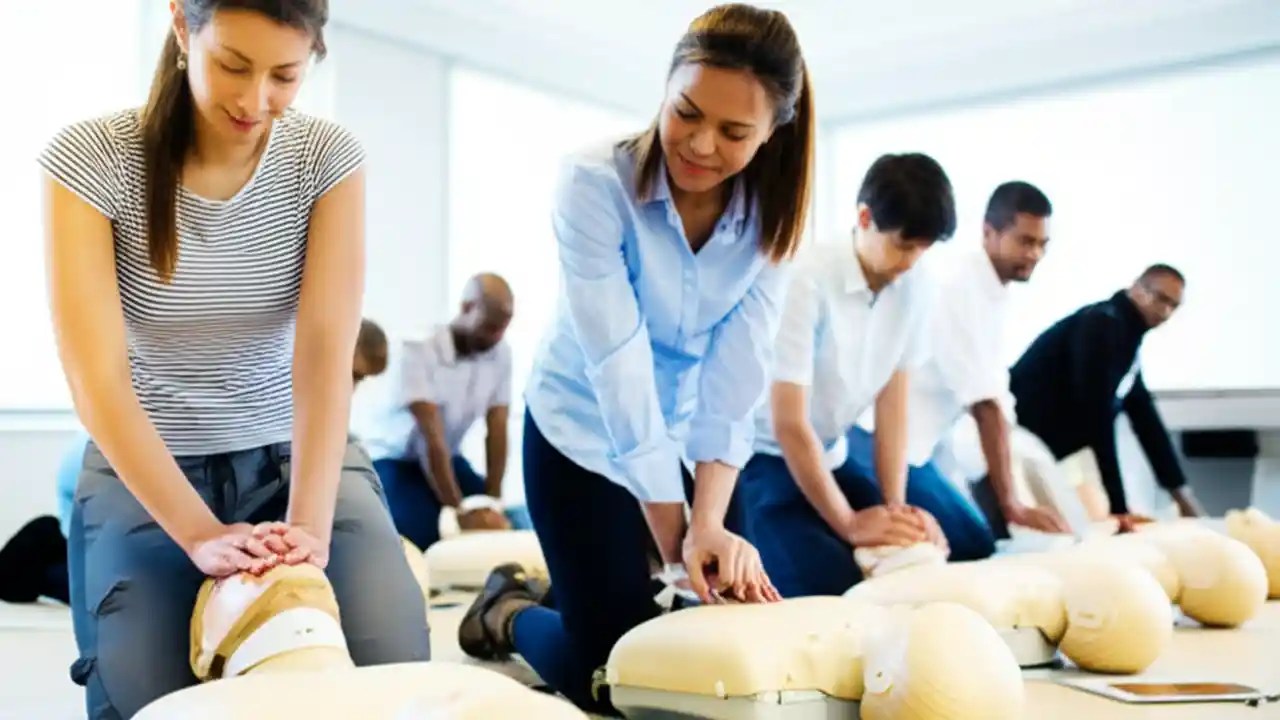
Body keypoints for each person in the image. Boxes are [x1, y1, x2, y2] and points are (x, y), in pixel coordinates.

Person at [40, 2, 428, 717]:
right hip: (149, 469)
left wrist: (307, 527)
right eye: (233, 66)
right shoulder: (92, 157)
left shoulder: (324, 157)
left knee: (392, 670)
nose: (255, 100)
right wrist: (199, 533)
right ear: (182, 27)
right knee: (147, 700)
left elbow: (323, 353)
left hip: (293, 455)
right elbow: (96, 378)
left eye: (285, 74)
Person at [456, 4, 812, 713]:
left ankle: (584, 586)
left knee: (731, 644)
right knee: (615, 673)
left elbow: (734, 381)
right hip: (580, 428)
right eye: (687, 113)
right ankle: (507, 610)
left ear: (773, 131)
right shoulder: (592, 182)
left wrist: (708, 526)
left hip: (687, 435)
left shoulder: (774, 217)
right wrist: (681, 551)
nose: (701, 145)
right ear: (665, 88)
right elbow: (618, 370)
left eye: (734, 132)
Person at [732, 153, 956, 598]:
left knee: (934, 542)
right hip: (762, 455)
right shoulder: (805, 277)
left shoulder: (915, 285)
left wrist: (895, 508)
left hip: (831, 448)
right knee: (829, 585)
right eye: (904, 246)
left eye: (923, 248)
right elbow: (788, 422)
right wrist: (850, 523)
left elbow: (893, 406)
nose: (912, 261)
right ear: (865, 218)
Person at [887, 181, 1071, 561]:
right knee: (973, 543)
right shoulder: (961, 287)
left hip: (930, 445)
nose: (1035, 254)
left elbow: (997, 400)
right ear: (989, 232)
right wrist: (1012, 504)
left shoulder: (994, 293)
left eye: (1043, 244)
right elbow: (985, 405)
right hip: (892, 445)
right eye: (1025, 241)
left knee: (984, 536)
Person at [1007, 265, 1205, 521]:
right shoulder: (1103, 324)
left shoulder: (1126, 338)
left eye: (1173, 306)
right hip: (1016, 448)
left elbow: (1146, 420)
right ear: (1137, 289)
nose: (1165, 311)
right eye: (1161, 298)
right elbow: (1095, 417)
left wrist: (1181, 495)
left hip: (1036, 451)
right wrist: (1118, 507)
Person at [365, 273, 523, 550]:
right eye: (489, 327)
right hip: (396, 461)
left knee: (511, 524)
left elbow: (497, 428)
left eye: (502, 329)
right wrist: (459, 512)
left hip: (450, 457)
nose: (496, 337)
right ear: (466, 307)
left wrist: (493, 502)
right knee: (425, 532)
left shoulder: (500, 353)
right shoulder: (418, 348)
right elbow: (431, 439)